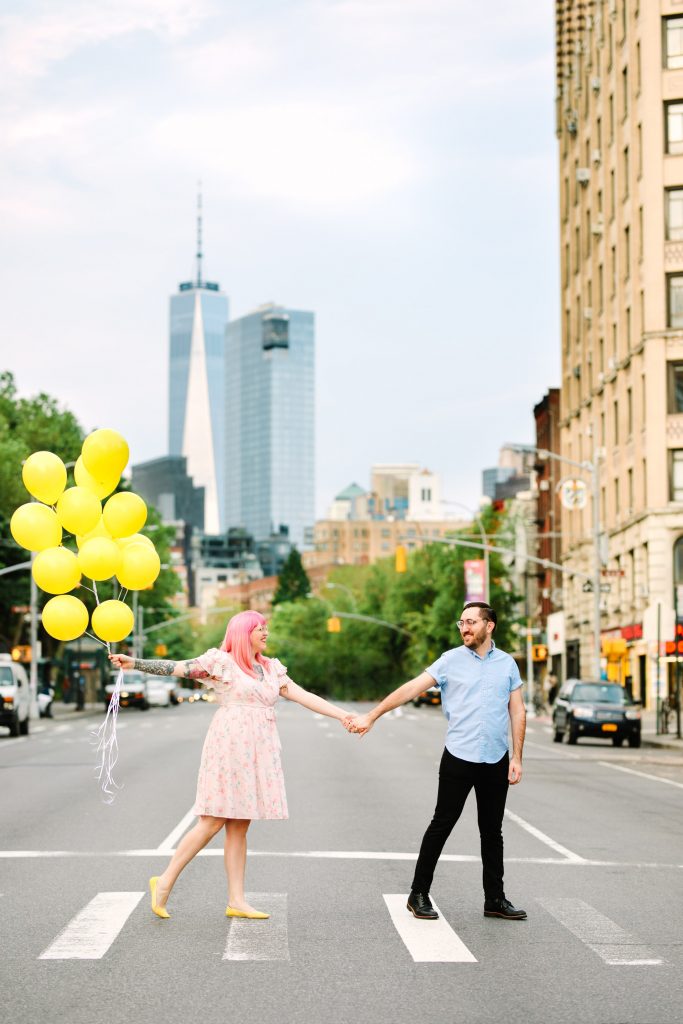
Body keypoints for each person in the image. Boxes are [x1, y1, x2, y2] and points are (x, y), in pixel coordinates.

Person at [109, 610, 353, 921]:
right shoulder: (221, 663)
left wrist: (343, 716)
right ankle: (165, 881)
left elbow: (304, 696)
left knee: (240, 824)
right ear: (242, 633)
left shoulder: (270, 669)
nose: (265, 633)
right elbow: (178, 668)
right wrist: (136, 663)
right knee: (213, 820)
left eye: (265, 628)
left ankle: (236, 899)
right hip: (229, 745)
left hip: (259, 747)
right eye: (258, 628)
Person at [347, 601, 527, 922]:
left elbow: (517, 710)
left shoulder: (507, 664)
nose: (465, 628)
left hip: (496, 758)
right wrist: (373, 714)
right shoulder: (450, 661)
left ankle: (495, 899)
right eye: (461, 623)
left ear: (489, 626)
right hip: (459, 755)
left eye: (471, 622)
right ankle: (418, 893)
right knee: (441, 824)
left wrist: (517, 757)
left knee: (492, 832)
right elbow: (412, 689)